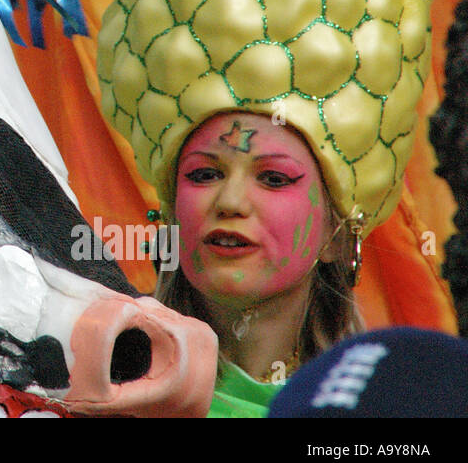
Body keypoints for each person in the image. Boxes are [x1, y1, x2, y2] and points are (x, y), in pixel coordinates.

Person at [153, 110, 362, 417]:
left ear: (336, 237)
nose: (230, 202)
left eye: (273, 179)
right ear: (170, 216)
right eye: (205, 175)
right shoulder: (99, 389)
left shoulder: (382, 402)